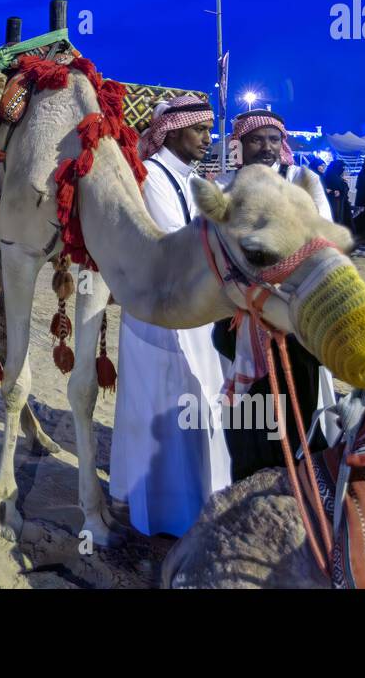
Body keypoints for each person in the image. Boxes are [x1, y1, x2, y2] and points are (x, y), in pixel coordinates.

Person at [112, 96, 231, 536]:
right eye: (199, 130)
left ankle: (203, 502)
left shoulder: (192, 180)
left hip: (197, 312)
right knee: (166, 409)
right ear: (173, 131)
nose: (207, 138)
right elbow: (177, 244)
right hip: (159, 318)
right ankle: (166, 517)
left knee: (201, 404)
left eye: (209, 130)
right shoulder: (151, 178)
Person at [212, 108, 337, 481]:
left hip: (296, 316)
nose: (266, 148)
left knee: (299, 404)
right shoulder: (222, 187)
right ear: (241, 144)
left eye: (273, 140)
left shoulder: (304, 180)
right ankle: (251, 486)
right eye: (256, 140)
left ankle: (297, 485)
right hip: (239, 316)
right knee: (250, 411)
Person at [323, 158, 351, 227]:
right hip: (335, 203)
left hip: (334, 203)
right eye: (342, 167)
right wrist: (344, 183)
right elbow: (342, 188)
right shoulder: (333, 176)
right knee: (337, 220)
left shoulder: (330, 174)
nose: (343, 169)